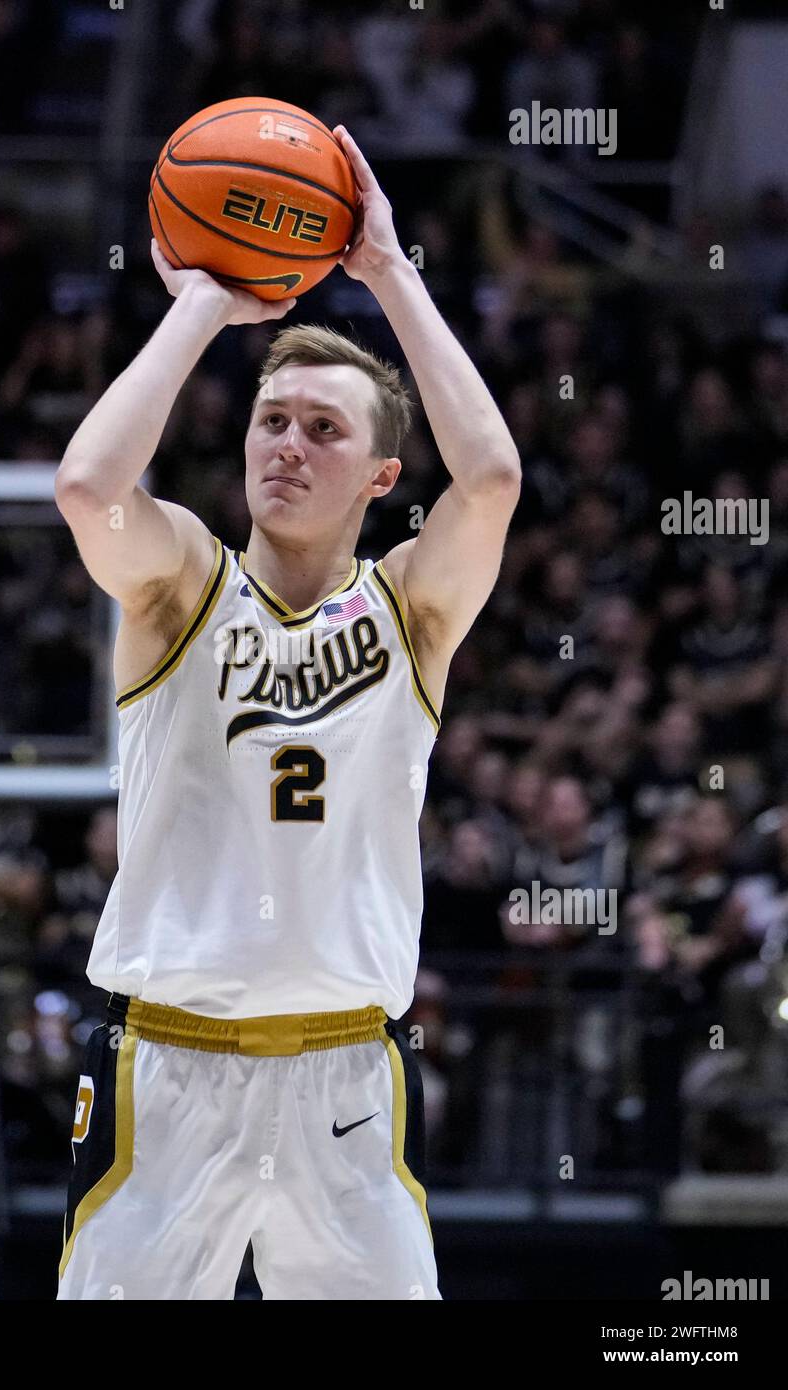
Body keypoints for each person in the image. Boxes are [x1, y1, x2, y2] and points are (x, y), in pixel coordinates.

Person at [54, 124, 520, 1300]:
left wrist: (388, 273)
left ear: (378, 478)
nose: (287, 444)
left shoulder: (411, 609)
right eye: (271, 420)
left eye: (323, 429)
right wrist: (206, 306)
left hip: (344, 1081)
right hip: (165, 1069)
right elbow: (86, 485)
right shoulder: (179, 583)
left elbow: (494, 479)